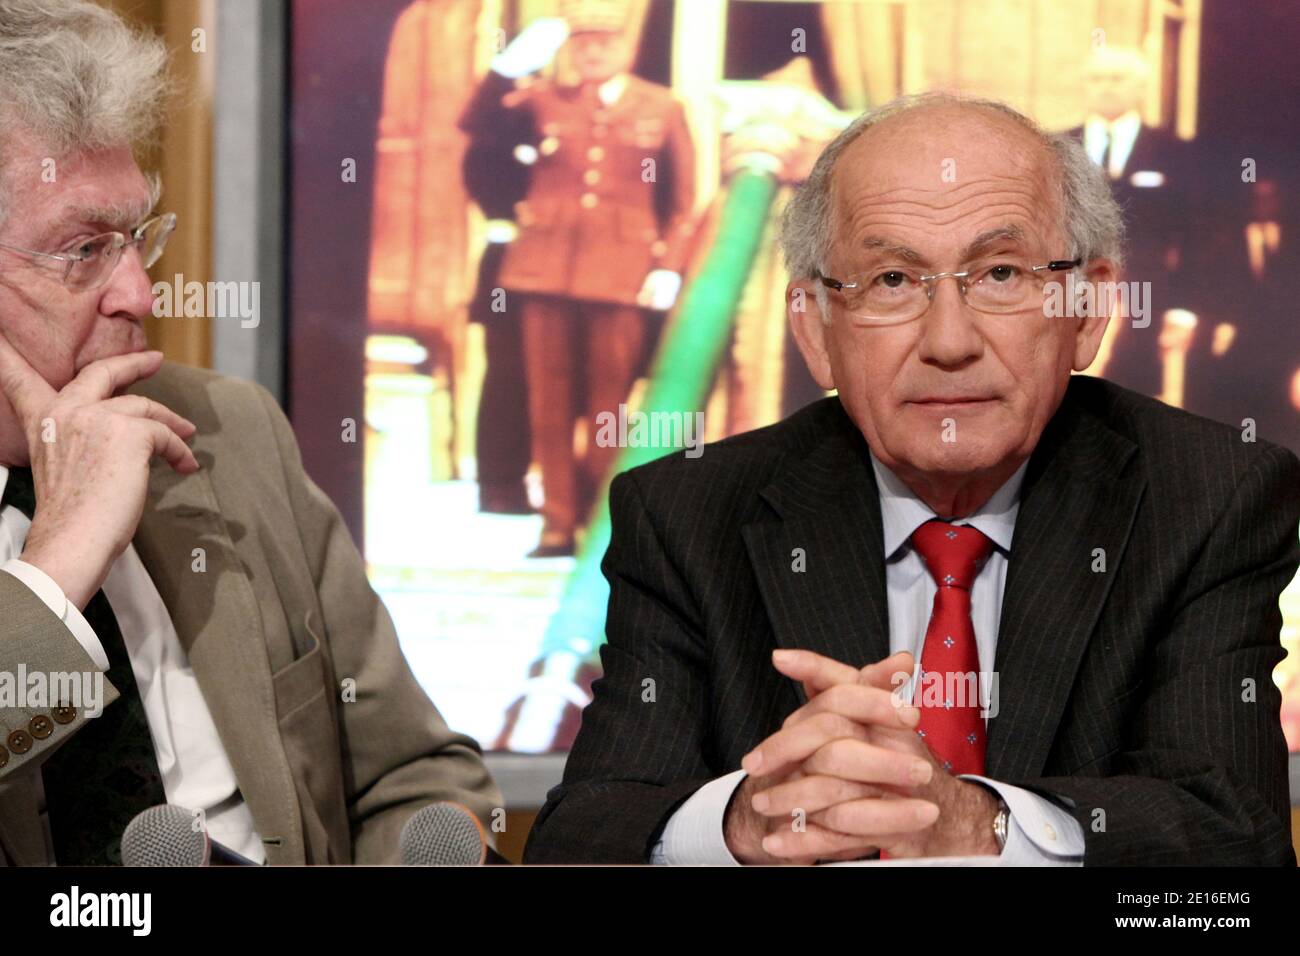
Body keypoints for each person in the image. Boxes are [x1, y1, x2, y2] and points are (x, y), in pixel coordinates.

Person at [524, 92, 1300, 865]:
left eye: (1000, 272)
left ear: (1088, 308)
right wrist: (744, 822)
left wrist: (975, 826)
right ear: (815, 330)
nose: (950, 341)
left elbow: (1232, 855)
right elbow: (585, 835)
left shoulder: (1209, 497)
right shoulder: (687, 514)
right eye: (892, 281)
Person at [0, 0, 499, 865]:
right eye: (83, 250)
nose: (139, 295)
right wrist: (61, 561)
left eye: (137, 238)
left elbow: (411, 777)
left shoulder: (229, 430)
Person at [474, 2, 697, 557]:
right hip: (542, 268)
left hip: (620, 275)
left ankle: (605, 523)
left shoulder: (661, 107)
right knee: (546, 403)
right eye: (582, 44)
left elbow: (683, 200)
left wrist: (667, 266)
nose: (593, 52)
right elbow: (474, 125)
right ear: (569, 51)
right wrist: (507, 68)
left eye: (604, 43)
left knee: (609, 410)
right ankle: (556, 524)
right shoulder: (541, 100)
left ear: (626, 48)